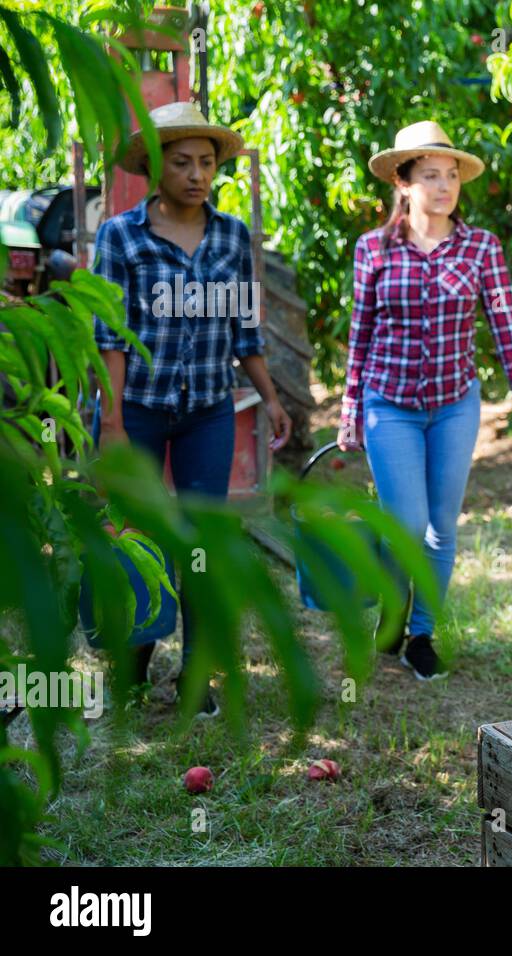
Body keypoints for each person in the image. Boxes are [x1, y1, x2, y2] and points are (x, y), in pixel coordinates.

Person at [93, 101, 294, 716]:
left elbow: (243, 327)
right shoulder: (120, 236)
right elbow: (110, 333)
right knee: (143, 539)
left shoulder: (231, 236)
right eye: (181, 162)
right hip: (142, 412)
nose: (196, 174)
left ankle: (195, 677)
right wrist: (113, 423)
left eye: (206, 162)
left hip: (208, 407)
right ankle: (131, 670)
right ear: (155, 167)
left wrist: (272, 394)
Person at [340, 120, 512, 680]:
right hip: (390, 403)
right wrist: (351, 406)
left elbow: (505, 325)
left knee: (441, 528)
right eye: (430, 175)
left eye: (451, 175)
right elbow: (361, 331)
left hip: (455, 403)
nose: (444, 186)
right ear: (403, 183)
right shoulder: (373, 249)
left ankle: (420, 633)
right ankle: (393, 600)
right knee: (404, 523)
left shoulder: (481, 249)